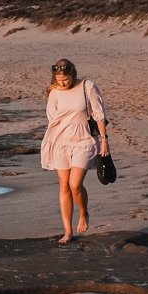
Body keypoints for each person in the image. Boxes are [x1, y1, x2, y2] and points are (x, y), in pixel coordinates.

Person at [40, 58, 109, 243]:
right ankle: (68, 231)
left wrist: (104, 140)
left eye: (66, 79)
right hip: (61, 142)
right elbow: (52, 119)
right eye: (59, 80)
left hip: (84, 140)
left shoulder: (87, 86)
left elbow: (99, 115)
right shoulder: (54, 92)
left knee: (75, 184)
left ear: (73, 74)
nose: (63, 83)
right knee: (64, 185)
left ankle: (84, 212)